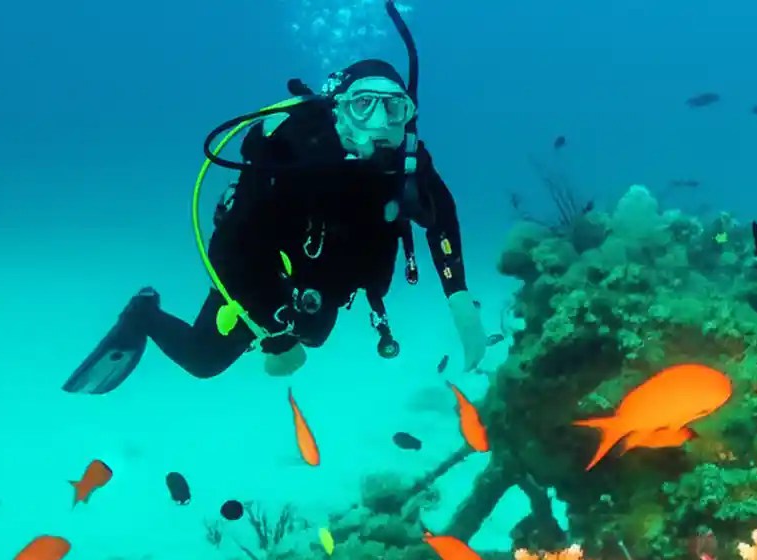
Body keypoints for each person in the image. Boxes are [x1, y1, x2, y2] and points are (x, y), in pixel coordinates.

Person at [62, 0, 486, 395]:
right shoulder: (291, 150)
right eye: (363, 106)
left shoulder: (407, 158)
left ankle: (285, 325)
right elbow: (231, 247)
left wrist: (459, 295)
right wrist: (274, 336)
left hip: (323, 276)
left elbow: (442, 213)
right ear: (337, 109)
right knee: (204, 360)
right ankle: (142, 313)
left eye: (395, 109)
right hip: (259, 268)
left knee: (316, 335)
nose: (380, 122)